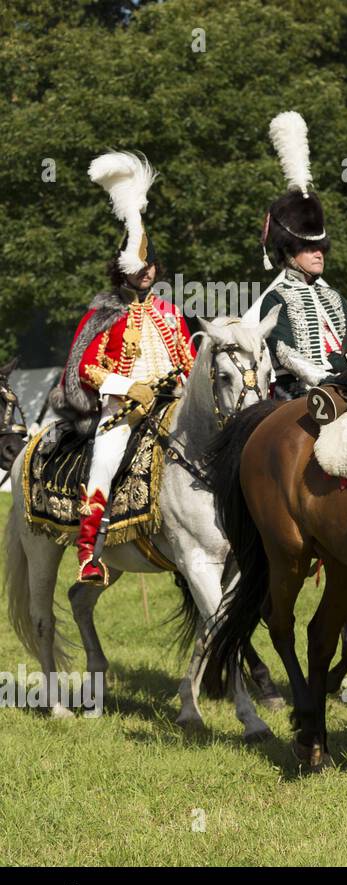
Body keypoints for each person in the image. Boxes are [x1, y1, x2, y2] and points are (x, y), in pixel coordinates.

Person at [55, 152, 195, 584]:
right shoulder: (106, 309)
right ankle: (90, 554)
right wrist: (127, 387)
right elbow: (86, 370)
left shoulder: (171, 311)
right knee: (105, 461)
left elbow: (188, 359)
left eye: (150, 265)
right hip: (122, 408)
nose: (146, 272)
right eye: (138, 266)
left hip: (173, 406)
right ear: (122, 270)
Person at [254, 111, 347, 398]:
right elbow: (284, 352)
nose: (318, 254)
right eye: (309, 248)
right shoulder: (276, 299)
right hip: (300, 393)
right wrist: (326, 379)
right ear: (289, 251)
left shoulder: (334, 297)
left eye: (320, 248)